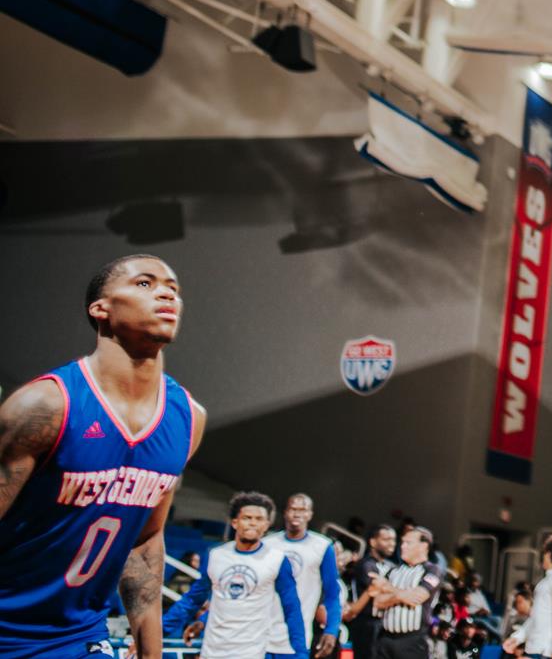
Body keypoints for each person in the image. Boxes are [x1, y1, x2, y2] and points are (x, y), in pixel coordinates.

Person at [0, 255, 204, 659]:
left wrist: (151, 653)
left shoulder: (187, 417)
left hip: (80, 636)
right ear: (101, 309)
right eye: (145, 283)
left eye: (173, 289)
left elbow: (144, 542)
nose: (167, 294)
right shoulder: (44, 406)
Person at [164, 491, 307, 658]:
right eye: (247, 518)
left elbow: (292, 608)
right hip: (212, 651)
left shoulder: (277, 560)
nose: (253, 523)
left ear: (266, 525)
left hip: (250, 653)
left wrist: (301, 653)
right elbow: (193, 600)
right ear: (234, 522)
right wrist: (160, 629)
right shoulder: (216, 555)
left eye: (259, 519)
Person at [274, 494, 341, 659]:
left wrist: (331, 630)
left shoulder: (322, 546)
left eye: (303, 510)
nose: (297, 514)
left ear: (310, 514)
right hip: (261, 636)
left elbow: (332, 593)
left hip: (297, 638)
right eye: (293, 509)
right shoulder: (268, 544)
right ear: (285, 512)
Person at [368, 526, 445, 659]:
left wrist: (389, 588)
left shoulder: (432, 570)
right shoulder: (393, 571)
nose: (402, 546)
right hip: (385, 639)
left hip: (412, 641)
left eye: (408, 543)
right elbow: (378, 602)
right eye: (402, 542)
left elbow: (417, 597)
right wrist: (404, 595)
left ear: (424, 546)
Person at [509, 534, 552, 659]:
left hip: (548, 650)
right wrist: (518, 637)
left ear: (549, 554)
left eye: (544, 553)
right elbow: (537, 616)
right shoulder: (548, 579)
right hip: (537, 648)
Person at [343, 524, 398, 658]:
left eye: (393, 540)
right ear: (373, 542)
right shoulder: (366, 564)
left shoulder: (391, 566)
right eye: (386, 539)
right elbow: (378, 590)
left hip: (383, 623)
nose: (391, 544)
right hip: (366, 623)